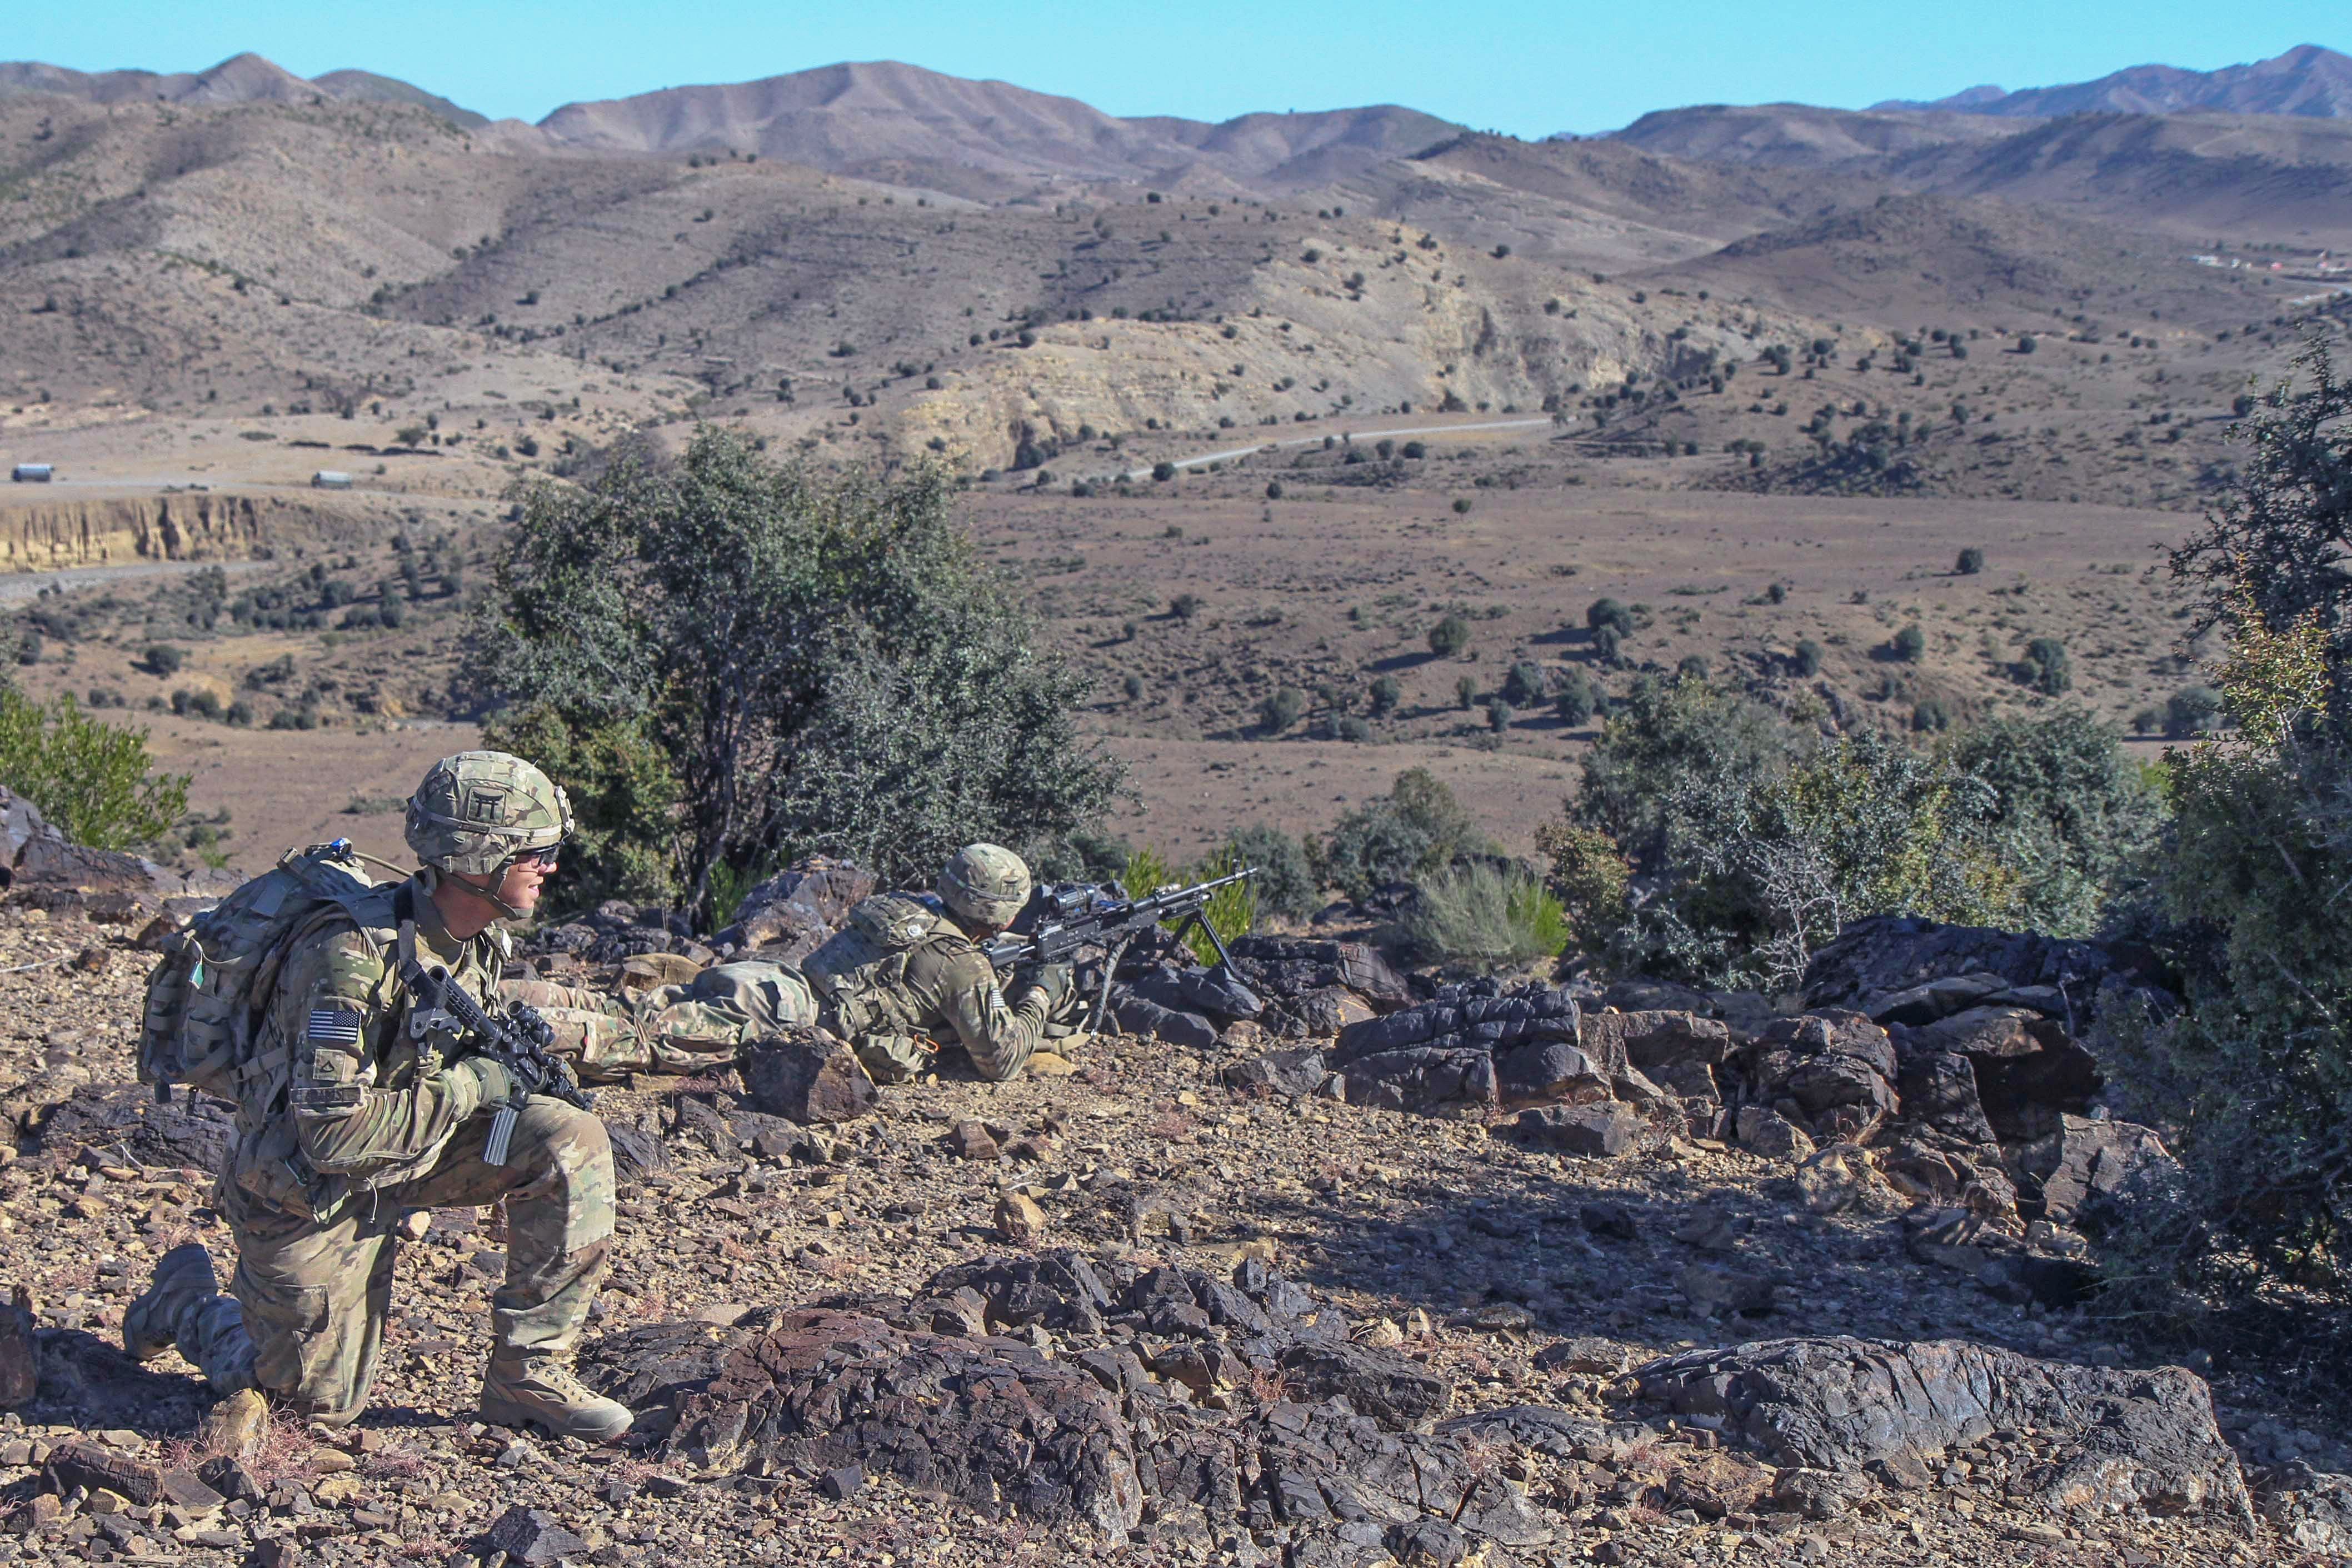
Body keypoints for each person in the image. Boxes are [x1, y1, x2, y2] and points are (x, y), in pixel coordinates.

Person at [121, 752, 631, 1441]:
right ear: (480, 855)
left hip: (404, 1146)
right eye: (535, 853)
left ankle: (527, 1374)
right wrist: (476, 1082)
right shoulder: (349, 957)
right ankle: (186, 1303)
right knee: (312, 1408)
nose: (550, 867)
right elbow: (331, 1135)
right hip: (309, 1186)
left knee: (568, 1136)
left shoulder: (474, 939)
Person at [512, 843, 1073, 1086]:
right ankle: (528, 1033)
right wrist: (1040, 992)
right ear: (998, 913)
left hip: (777, 981)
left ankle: (520, 999)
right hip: (785, 1020)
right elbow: (999, 1058)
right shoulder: (963, 962)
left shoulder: (914, 910)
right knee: (646, 1039)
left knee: (633, 1007)